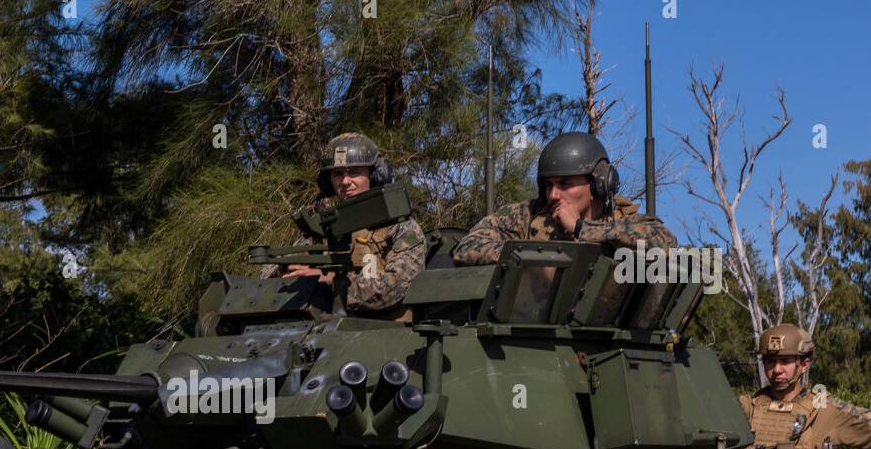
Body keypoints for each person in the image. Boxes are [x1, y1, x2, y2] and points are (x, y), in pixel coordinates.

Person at [452, 131, 676, 266]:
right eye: (548, 185)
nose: (553, 195)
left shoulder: (620, 220)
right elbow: (467, 248)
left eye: (565, 184)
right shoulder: (528, 214)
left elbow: (666, 243)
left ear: (598, 183)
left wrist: (582, 229)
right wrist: (532, 256)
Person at [261, 132, 426, 313]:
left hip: (384, 331)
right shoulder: (324, 229)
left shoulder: (400, 227)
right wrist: (282, 271)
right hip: (323, 330)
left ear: (376, 175)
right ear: (327, 181)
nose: (346, 181)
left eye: (354, 172)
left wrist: (330, 281)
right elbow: (271, 271)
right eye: (338, 174)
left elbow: (398, 287)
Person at [719, 324, 871, 449]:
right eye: (770, 361)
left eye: (785, 361)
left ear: (804, 365)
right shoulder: (748, 407)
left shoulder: (824, 410)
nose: (777, 369)